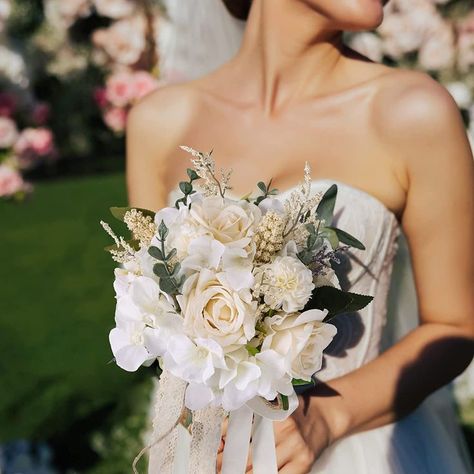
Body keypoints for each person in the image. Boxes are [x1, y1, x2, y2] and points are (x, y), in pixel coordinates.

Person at [126, 0, 474, 472]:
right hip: (206, 453)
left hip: (356, 450)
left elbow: (456, 326)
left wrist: (326, 417)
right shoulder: (160, 122)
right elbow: (152, 317)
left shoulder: (412, 113)